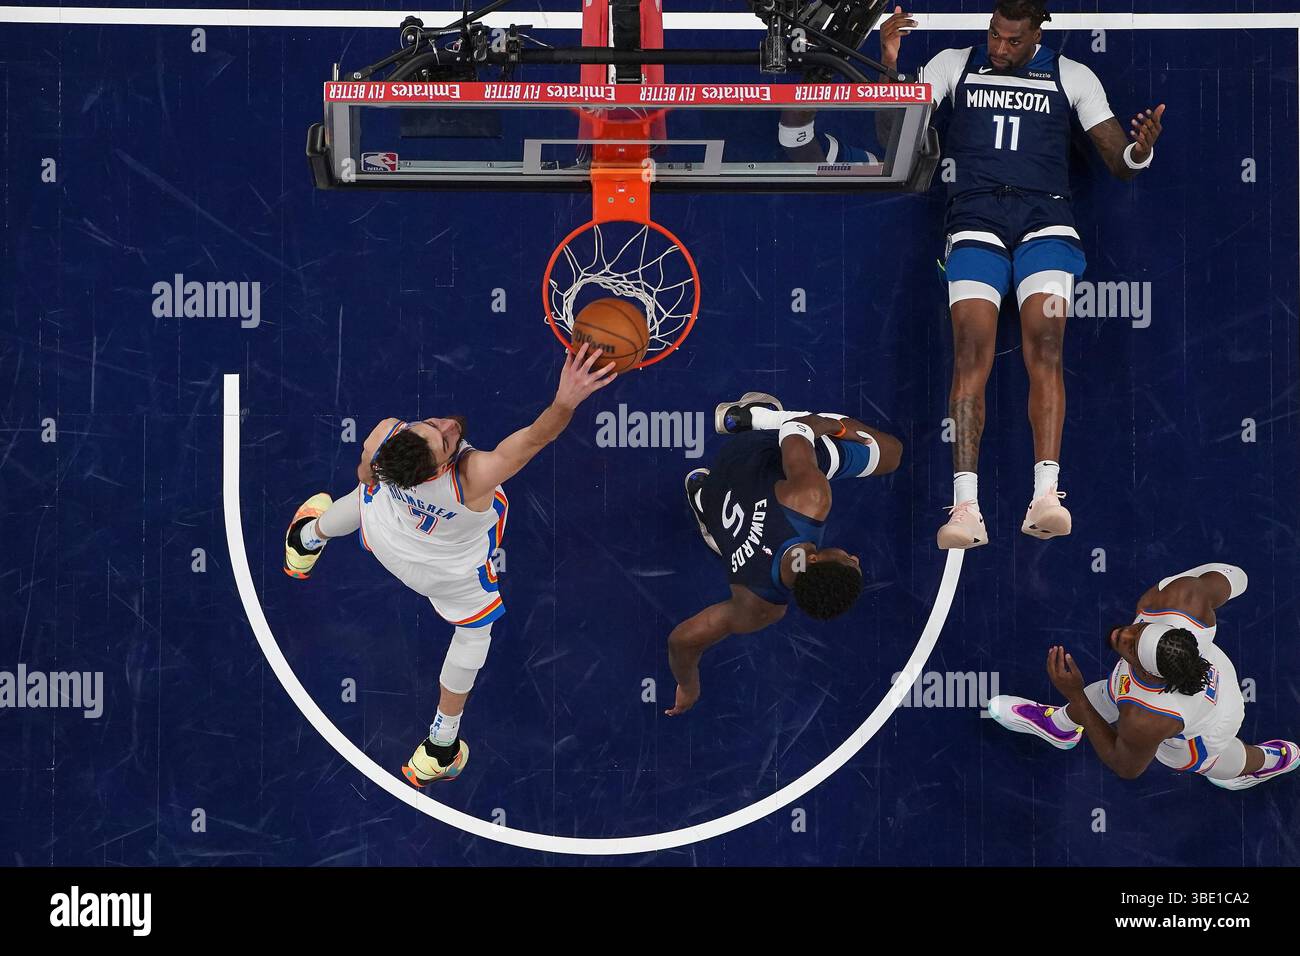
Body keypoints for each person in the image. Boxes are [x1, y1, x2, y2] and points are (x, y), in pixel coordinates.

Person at [880, 2, 1166, 549]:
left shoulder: (1071, 75)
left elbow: (1119, 163)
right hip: (974, 221)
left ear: (1037, 35)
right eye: (994, 35)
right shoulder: (951, 66)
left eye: (1012, 40)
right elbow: (894, 134)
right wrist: (889, 64)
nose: (999, 48)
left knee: (1048, 346)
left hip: (1048, 227)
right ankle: (966, 507)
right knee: (969, 351)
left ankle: (1046, 496)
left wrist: (1141, 150)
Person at [282, 345, 616, 786]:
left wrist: (386, 474)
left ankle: (304, 539)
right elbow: (536, 438)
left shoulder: (386, 438)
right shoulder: (474, 476)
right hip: (448, 573)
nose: (449, 426)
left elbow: (366, 478)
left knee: (366, 501)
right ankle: (441, 745)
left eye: (434, 426)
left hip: (388, 537)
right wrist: (565, 402)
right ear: (437, 470)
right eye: (444, 440)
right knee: (474, 631)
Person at [666, 392, 903, 716]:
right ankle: (704, 502)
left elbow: (797, 430)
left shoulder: (810, 501)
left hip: (740, 452)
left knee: (890, 453)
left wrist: (833, 425)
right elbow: (682, 640)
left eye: (850, 561)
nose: (856, 557)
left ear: (817, 559)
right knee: (734, 545)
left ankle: (756, 418)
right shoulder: (761, 607)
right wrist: (688, 686)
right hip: (720, 488)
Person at [988, 563, 1298, 789]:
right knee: (1112, 692)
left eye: (1132, 647)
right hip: (1201, 670)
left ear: (1151, 672)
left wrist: (1075, 695)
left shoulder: (1146, 720)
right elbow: (1236, 575)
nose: (1124, 634)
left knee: (1219, 762)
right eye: (1140, 630)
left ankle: (1263, 763)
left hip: (1205, 733)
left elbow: (1125, 766)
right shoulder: (1184, 602)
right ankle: (1060, 728)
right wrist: (1219, 580)